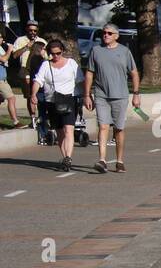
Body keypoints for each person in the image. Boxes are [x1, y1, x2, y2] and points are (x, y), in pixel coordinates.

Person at [83, 23, 141, 174]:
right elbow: (89, 73)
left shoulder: (124, 51)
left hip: (120, 96)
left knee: (118, 129)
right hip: (101, 95)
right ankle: (102, 160)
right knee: (103, 126)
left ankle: (119, 160)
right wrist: (87, 94)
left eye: (109, 33)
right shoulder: (96, 50)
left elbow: (134, 73)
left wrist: (136, 94)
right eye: (104, 33)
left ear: (116, 35)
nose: (106, 35)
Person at [29, 38, 82, 171]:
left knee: (68, 129)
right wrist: (33, 94)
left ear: (62, 51)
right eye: (52, 54)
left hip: (69, 99)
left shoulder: (71, 63)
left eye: (58, 53)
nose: (56, 56)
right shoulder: (46, 65)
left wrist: (86, 95)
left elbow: (80, 80)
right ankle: (65, 158)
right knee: (59, 132)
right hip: (52, 101)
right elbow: (38, 80)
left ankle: (68, 157)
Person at [0, 34, 20, 127]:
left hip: (3, 78)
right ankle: (16, 122)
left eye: (1, 37)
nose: (1, 39)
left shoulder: (1, 48)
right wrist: (9, 50)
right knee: (11, 98)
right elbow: (4, 59)